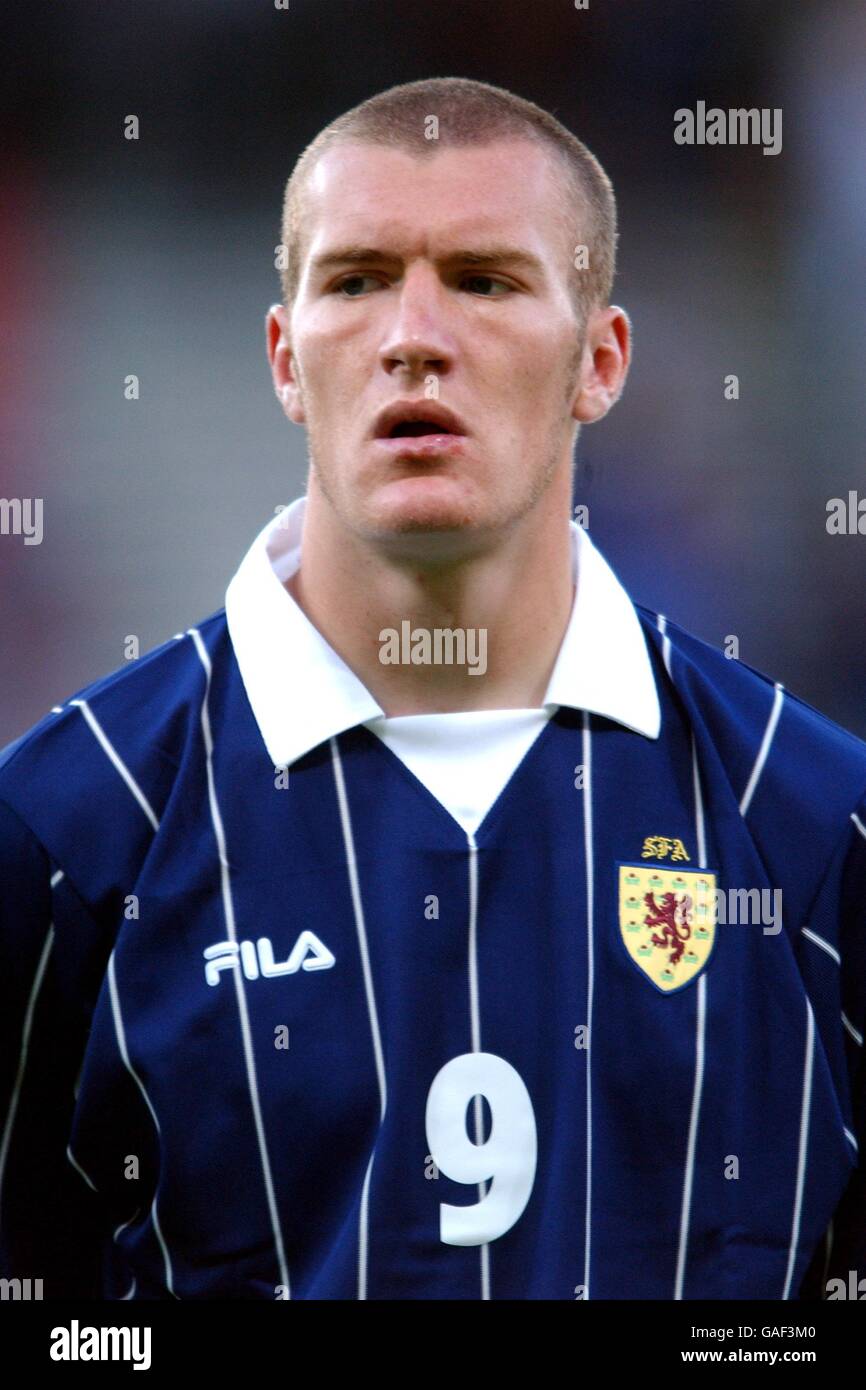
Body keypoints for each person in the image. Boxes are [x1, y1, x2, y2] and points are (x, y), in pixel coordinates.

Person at [1, 76, 864, 1302]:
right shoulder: (62, 831)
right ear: (284, 357)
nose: (412, 332)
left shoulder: (814, 825)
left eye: (482, 279)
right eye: (353, 281)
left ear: (598, 360)